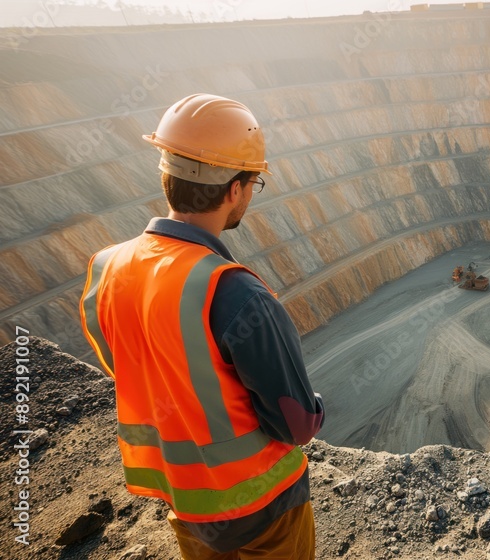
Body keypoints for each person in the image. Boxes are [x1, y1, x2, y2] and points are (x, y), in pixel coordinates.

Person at [79, 93, 325, 559]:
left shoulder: (106, 269)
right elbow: (295, 423)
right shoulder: (235, 294)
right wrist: (317, 408)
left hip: (186, 503)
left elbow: (135, 371)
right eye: (253, 182)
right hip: (265, 511)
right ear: (235, 189)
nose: (250, 193)